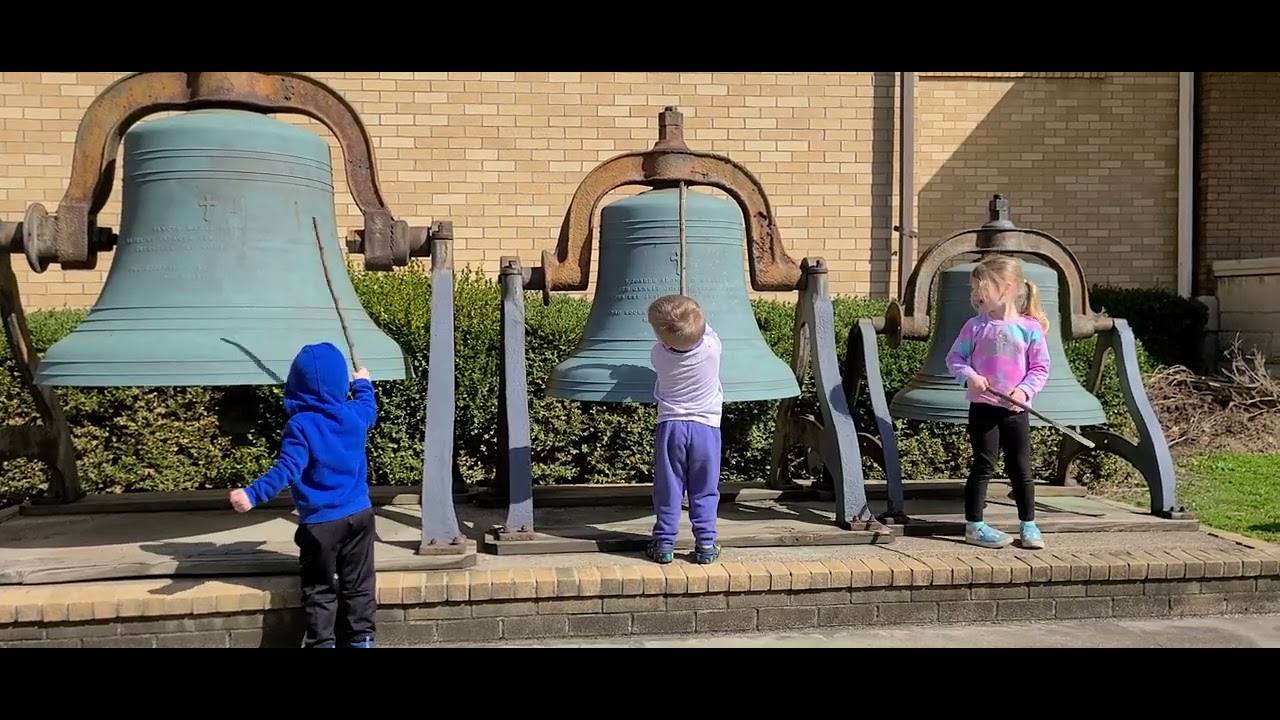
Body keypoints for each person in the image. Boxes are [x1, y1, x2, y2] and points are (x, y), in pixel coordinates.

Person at [228, 342, 379, 648]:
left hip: (322, 525)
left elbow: (287, 469)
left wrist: (252, 495)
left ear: (297, 385)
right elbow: (368, 407)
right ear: (340, 382)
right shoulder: (353, 415)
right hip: (361, 516)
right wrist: (362, 382)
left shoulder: (301, 426)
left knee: (319, 589)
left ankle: (323, 642)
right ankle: (362, 641)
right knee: (359, 585)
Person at [945, 255, 1051, 550]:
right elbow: (954, 358)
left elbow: (1040, 368)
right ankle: (974, 525)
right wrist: (970, 377)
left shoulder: (1029, 329)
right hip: (983, 408)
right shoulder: (975, 327)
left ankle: (1028, 523)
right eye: (972, 290)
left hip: (1016, 410)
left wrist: (1024, 392)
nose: (974, 295)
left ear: (1005, 289)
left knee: (1021, 468)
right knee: (983, 465)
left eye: (980, 289)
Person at [645, 294, 724, 565]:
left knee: (668, 488)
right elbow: (703, 327)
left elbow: (670, 338)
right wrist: (691, 308)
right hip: (706, 430)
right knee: (705, 488)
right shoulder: (713, 347)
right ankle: (705, 544)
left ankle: (664, 544)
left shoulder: (659, 355)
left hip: (671, 428)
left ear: (663, 339)